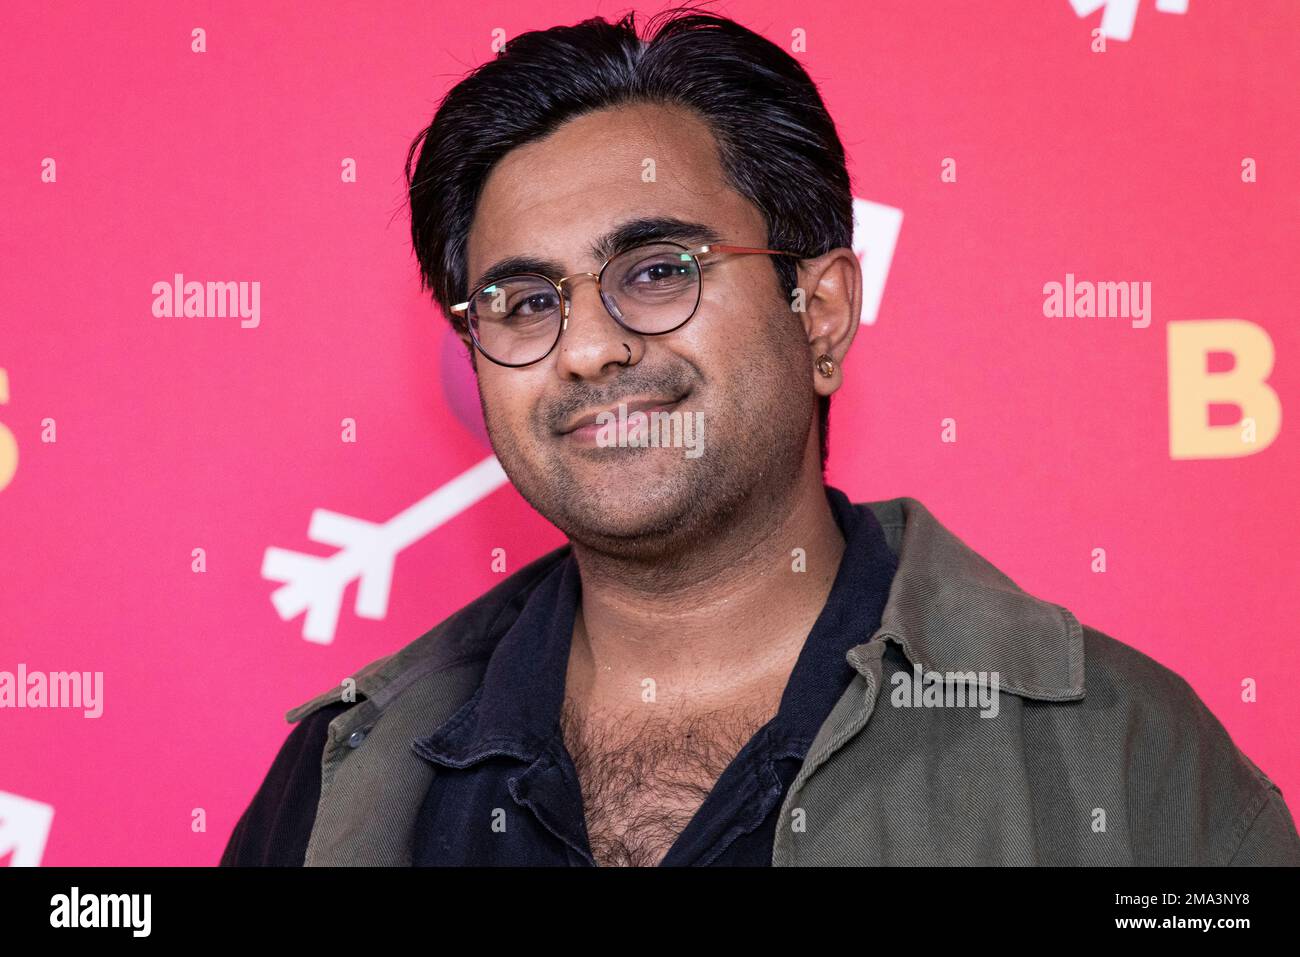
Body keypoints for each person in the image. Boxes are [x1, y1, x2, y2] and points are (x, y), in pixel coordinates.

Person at [221, 7, 1299, 866]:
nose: (588, 350)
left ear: (817, 311)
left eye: (657, 271)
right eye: (524, 301)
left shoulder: (1117, 756)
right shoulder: (341, 780)